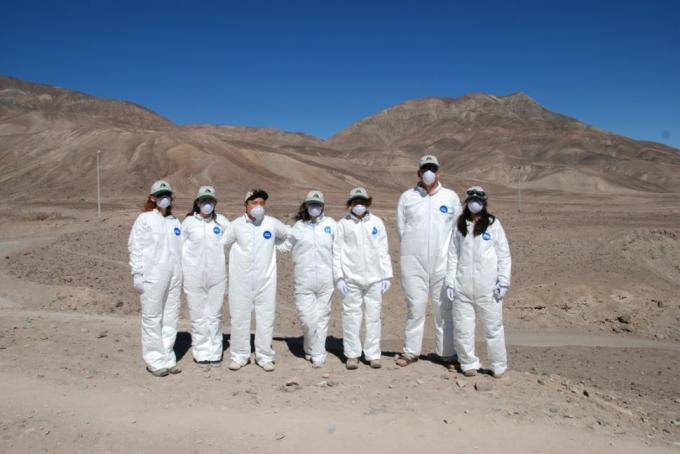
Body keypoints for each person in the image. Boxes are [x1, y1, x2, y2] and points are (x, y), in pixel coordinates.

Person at [396, 154, 461, 367]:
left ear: (439, 172)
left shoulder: (450, 197)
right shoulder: (407, 197)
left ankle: (447, 353)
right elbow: (401, 228)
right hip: (413, 261)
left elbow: (458, 229)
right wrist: (412, 248)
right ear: (418, 172)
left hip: (442, 261)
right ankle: (410, 351)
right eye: (425, 168)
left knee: (444, 308)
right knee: (415, 307)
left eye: (432, 168)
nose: (428, 172)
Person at [445, 186, 511, 378]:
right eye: (472, 199)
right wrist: (450, 282)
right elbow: (453, 254)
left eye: (479, 200)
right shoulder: (460, 224)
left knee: (494, 329)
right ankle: (468, 363)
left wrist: (504, 281)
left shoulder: (493, 224)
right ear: (467, 202)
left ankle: (498, 365)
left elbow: (503, 254)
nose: (475, 203)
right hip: (463, 287)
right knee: (463, 328)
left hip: (488, 288)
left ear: (484, 203)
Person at [224, 189, 292, 372]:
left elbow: (290, 236)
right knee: (239, 317)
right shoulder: (236, 225)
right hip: (241, 280)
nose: (258, 207)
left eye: (261, 203)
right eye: (254, 203)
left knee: (265, 318)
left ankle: (264, 356)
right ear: (245, 205)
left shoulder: (271, 223)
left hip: (266, 280)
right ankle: (240, 355)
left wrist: (280, 246)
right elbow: (221, 242)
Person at [128, 180, 183, 377]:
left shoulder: (175, 222)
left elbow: (181, 249)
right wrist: (137, 273)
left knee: (170, 317)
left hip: (174, 276)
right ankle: (154, 360)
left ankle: (168, 357)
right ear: (152, 198)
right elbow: (135, 246)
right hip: (153, 276)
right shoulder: (145, 219)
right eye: (160, 195)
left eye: (167, 194)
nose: (164, 198)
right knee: (152, 318)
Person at [333, 187, 392, 370]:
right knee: (351, 316)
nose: (359, 205)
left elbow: (383, 250)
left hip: (374, 278)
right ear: (350, 204)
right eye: (355, 202)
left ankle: (373, 354)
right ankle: (352, 354)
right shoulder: (343, 224)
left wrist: (387, 275)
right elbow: (336, 252)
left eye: (362, 202)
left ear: (368, 203)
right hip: (351, 279)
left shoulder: (377, 222)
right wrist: (339, 277)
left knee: (373, 317)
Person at [278, 190, 336, 368]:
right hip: (303, 280)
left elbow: (342, 248)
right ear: (306, 206)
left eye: (318, 204)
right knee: (307, 320)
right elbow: (285, 246)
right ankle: (310, 349)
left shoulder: (331, 225)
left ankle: (318, 353)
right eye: (312, 204)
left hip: (326, 279)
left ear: (323, 206)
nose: (315, 208)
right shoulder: (298, 227)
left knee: (322, 317)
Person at [181, 186, 231, 368]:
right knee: (198, 315)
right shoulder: (187, 223)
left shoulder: (221, 222)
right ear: (197, 203)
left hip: (217, 276)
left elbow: (235, 237)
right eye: (204, 201)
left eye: (210, 201)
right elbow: (178, 247)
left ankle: (215, 352)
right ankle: (201, 353)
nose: (207, 204)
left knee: (214, 315)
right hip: (193, 276)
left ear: (215, 203)